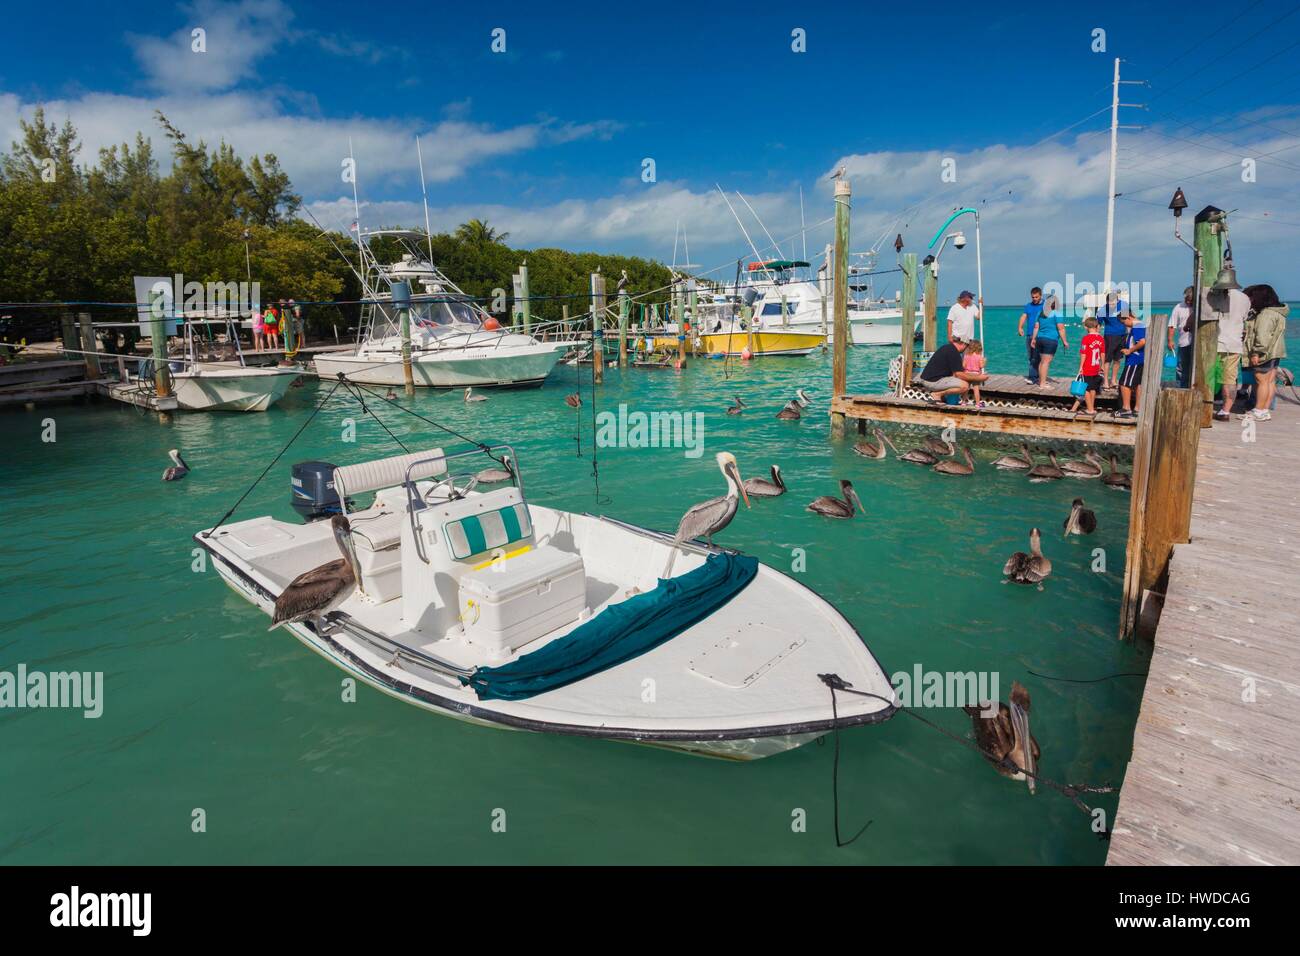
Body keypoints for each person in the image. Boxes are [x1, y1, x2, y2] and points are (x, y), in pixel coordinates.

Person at [1202, 268, 1249, 422]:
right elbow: (1244, 318)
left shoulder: (1210, 295)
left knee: (1207, 376)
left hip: (1213, 343)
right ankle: (1225, 411)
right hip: (1233, 344)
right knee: (1229, 379)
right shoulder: (1244, 298)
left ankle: (1206, 406)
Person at [1242, 283, 1288, 422]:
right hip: (1275, 351)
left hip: (1264, 353)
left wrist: (1256, 353)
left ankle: (1258, 409)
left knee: (1261, 381)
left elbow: (1262, 336)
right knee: (1270, 381)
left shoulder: (1265, 314)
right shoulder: (1278, 312)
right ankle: (1264, 410)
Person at [916, 336, 987, 403]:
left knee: (955, 379)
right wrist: (978, 378)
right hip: (932, 382)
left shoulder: (948, 347)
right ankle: (937, 394)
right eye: (967, 346)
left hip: (928, 379)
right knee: (965, 386)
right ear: (963, 344)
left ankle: (940, 397)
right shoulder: (954, 352)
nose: (966, 348)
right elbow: (959, 375)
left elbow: (954, 374)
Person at [1069, 316, 1105, 417]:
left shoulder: (1086, 338)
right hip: (1096, 367)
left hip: (1087, 367)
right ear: (1096, 326)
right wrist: (1102, 365)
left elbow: (1083, 354)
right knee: (1093, 388)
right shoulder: (1100, 338)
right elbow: (1103, 353)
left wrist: (1081, 367)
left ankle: (1090, 410)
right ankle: (1091, 407)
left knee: (1085, 389)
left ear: (1086, 327)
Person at [1030, 295, 1068, 388]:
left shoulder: (1040, 313)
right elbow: (1061, 329)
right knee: (1046, 362)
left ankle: (1041, 381)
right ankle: (1042, 384)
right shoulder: (1056, 313)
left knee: (1042, 362)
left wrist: (1033, 339)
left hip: (1039, 339)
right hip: (1050, 340)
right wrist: (1065, 341)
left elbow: (1036, 327)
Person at [1097, 290, 1130, 390]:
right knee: (1107, 360)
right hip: (1109, 336)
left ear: (1117, 300)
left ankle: (1113, 380)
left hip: (1122, 335)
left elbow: (1127, 321)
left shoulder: (1124, 305)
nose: (1111, 305)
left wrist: (1129, 335)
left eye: (1113, 303)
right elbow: (1098, 324)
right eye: (1109, 303)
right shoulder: (1103, 309)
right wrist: (1096, 337)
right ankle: (1106, 381)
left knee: (1118, 359)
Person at [1116, 312, 1146, 418]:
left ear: (1129, 317)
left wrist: (1130, 350)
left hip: (1134, 360)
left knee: (1124, 383)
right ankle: (1137, 408)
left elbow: (1142, 342)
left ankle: (1126, 408)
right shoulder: (1141, 325)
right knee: (1138, 384)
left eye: (1124, 322)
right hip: (1139, 360)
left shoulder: (1137, 326)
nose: (1124, 324)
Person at [1167, 286, 1194, 388]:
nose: (1188, 302)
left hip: (1197, 343)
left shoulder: (1199, 307)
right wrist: (1170, 340)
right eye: (1186, 300)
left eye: (1190, 300)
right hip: (1184, 342)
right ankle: (1181, 388)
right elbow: (1171, 325)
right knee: (1181, 367)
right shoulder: (1179, 307)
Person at [1017, 287, 1045, 383]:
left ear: (1040, 295)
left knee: (1039, 357)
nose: (1034, 299)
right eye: (1033, 297)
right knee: (1031, 357)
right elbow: (1024, 316)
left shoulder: (1045, 305)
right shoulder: (1028, 306)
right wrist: (1020, 327)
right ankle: (1035, 376)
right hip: (1029, 334)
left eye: (1036, 297)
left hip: (1041, 335)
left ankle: (1035, 377)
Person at [962, 339, 987, 406]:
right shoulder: (979, 357)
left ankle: (963, 402)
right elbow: (981, 366)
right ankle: (977, 403)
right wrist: (985, 362)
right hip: (976, 375)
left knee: (966, 388)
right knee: (976, 389)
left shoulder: (966, 355)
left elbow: (963, 366)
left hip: (967, 374)